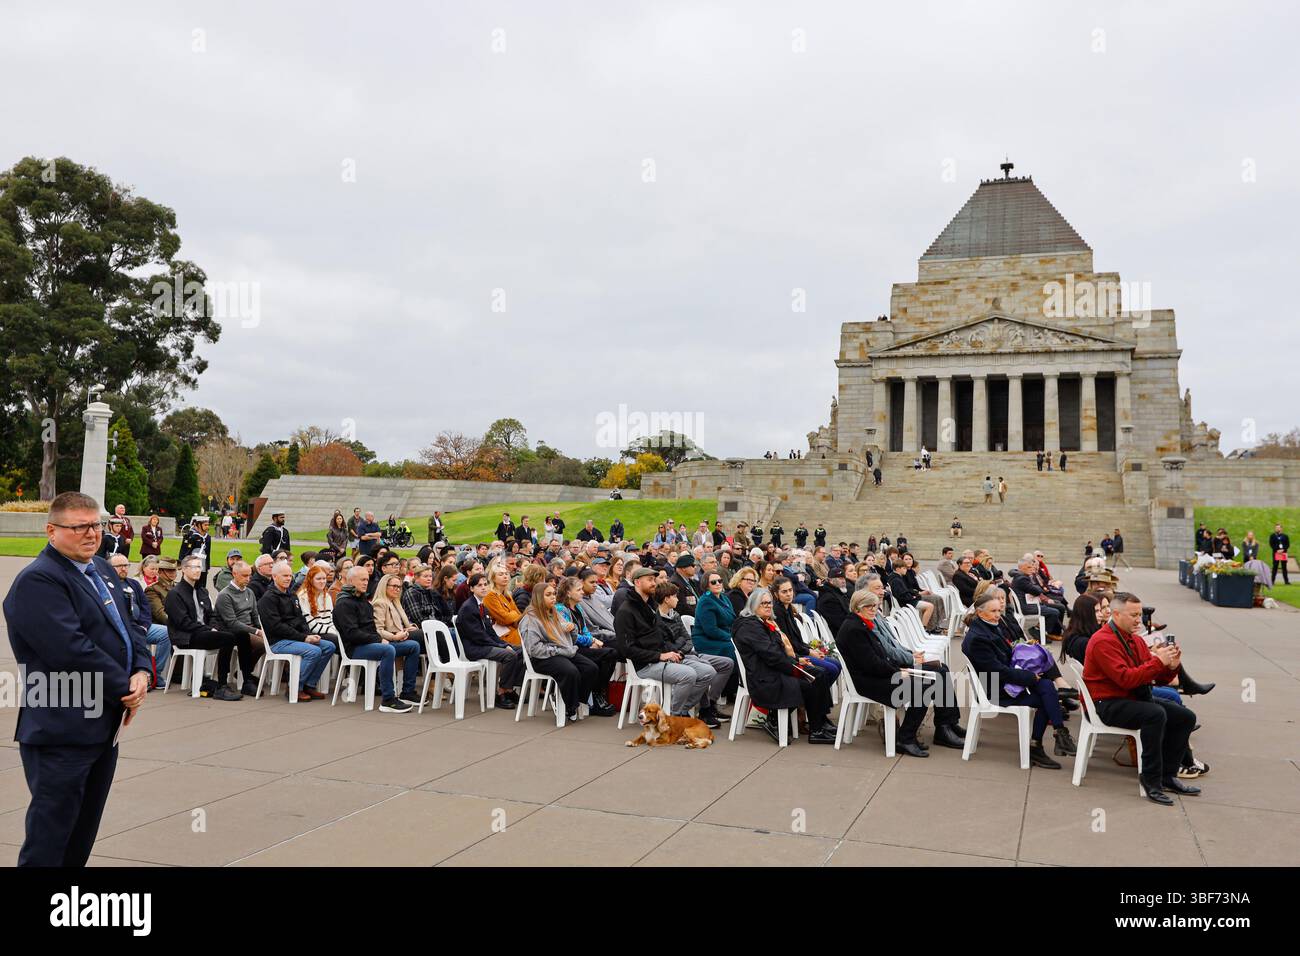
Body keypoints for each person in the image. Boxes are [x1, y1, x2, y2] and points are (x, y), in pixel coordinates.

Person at [2, 492, 152, 867]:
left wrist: (142, 672)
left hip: (102, 727)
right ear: (52, 530)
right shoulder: (39, 580)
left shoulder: (100, 568)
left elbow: (130, 625)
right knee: (50, 841)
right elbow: (71, 650)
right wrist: (125, 690)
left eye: (96, 525)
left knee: (81, 837)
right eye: (79, 526)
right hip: (61, 730)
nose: (92, 534)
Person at [1082, 592, 1200, 804]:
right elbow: (1126, 679)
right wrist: (1158, 662)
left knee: (1185, 717)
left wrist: (1171, 666)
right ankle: (1150, 779)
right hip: (1107, 704)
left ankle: (1167, 775)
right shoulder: (1102, 641)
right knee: (1155, 714)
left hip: (1130, 697)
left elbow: (1154, 677)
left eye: (1140, 614)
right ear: (1116, 615)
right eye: (1133, 615)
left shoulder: (1134, 640)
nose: (1139, 619)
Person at [838, 589, 964, 755]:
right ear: (857, 608)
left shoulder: (863, 623)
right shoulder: (854, 629)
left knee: (940, 670)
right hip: (870, 681)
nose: (873, 609)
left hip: (882, 672)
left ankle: (946, 724)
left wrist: (901, 667)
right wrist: (897, 671)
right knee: (925, 686)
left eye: (875, 606)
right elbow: (871, 664)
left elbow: (881, 655)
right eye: (868, 606)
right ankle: (906, 738)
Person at [962, 588, 1075, 767]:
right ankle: (1044, 743)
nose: (998, 615)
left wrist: (1025, 650)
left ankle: (1056, 735)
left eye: (999, 610)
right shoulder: (978, 638)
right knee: (1048, 695)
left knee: (1047, 686)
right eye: (993, 611)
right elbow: (998, 670)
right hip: (997, 690)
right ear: (979, 612)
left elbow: (1006, 657)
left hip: (1005, 681)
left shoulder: (989, 626)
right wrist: (1030, 677)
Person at [731, 587, 836, 744]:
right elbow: (771, 655)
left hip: (772, 669)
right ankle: (816, 729)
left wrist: (798, 660)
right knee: (813, 680)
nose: (768, 606)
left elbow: (777, 652)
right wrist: (794, 665)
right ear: (753, 605)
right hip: (764, 677)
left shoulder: (763, 622)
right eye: (763, 603)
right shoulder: (749, 626)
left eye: (770, 603)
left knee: (819, 673)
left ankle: (820, 722)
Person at [165, 554, 256, 699]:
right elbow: (183, 623)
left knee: (241, 634)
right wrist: (209, 629)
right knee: (227, 638)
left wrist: (213, 627)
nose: (197, 570)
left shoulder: (202, 591)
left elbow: (212, 615)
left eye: (199, 567)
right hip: (187, 637)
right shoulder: (175, 594)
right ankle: (221, 685)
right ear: (183, 569)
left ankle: (246, 680)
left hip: (205, 632)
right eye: (193, 567)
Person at [333, 567, 420, 712]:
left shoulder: (364, 602)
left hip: (370, 643)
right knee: (387, 650)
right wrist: (379, 640)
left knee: (413, 646)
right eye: (362, 579)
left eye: (367, 579)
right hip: (355, 648)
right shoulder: (344, 604)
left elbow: (373, 628)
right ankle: (388, 700)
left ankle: (407, 692)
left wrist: (390, 637)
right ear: (350, 580)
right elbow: (352, 634)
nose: (366, 582)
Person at [518, 582, 604, 722]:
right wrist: (558, 650)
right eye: (548, 595)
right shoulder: (530, 619)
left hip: (564, 651)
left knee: (591, 668)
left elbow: (572, 636)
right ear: (539, 597)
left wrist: (572, 628)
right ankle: (570, 707)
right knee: (570, 671)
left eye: (553, 594)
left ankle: (574, 701)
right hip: (543, 657)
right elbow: (534, 649)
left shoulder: (554, 613)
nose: (553, 597)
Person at [655, 582, 733, 727]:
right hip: (675, 658)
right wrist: (680, 644)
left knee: (727, 663)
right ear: (666, 599)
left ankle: (710, 704)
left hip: (688, 653)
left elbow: (688, 640)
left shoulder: (676, 615)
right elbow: (666, 646)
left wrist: (680, 645)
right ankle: (687, 710)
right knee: (706, 670)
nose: (678, 599)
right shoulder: (657, 619)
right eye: (675, 596)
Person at [258, 560, 335, 701]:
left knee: (328, 646)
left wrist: (310, 635)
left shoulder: (292, 596)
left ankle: (309, 685)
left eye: (289, 575)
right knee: (314, 651)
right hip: (277, 641)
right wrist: (303, 638)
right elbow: (277, 627)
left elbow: (301, 620)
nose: (288, 578)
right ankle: (295, 687)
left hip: (294, 638)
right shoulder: (268, 599)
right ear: (274, 577)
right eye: (284, 576)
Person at [456, 572, 524, 708]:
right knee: (510, 655)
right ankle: (501, 693)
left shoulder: (482, 606)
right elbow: (478, 636)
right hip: (475, 648)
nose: (483, 588)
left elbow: (491, 632)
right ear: (471, 589)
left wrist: (503, 643)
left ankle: (509, 688)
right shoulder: (468, 608)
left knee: (522, 651)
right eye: (479, 585)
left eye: (485, 584)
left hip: (485, 644)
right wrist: (502, 647)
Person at [109, 553, 172, 690]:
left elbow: (145, 608)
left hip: (141, 627)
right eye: (119, 566)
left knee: (166, 633)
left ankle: (156, 674)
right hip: (121, 629)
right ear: (109, 567)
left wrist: (144, 626)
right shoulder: (107, 586)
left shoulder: (134, 584)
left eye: (126, 565)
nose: (124, 569)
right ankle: (136, 675)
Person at [214, 558, 268, 664]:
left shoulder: (249, 592)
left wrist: (263, 630)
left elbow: (255, 616)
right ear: (234, 574)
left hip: (250, 629)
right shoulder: (225, 595)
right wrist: (257, 632)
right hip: (233, 631)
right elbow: (232, 623)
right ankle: (246, 672)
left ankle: (246, 671)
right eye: (244, 576)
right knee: (264, 644)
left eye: (249, 575)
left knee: (273, 640)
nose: (248, 579)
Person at [178, 514, 213, 588]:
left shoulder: (208, 538)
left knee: (201, 587)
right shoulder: (192, 537)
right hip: (192, 566)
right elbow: (186, 552)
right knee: (188, 586)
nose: (207, 527)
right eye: (205, 525)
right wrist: (183, 564)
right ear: (199, 525)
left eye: (208, 525)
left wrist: (207, 567)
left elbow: (208, 553)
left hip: (203, 567)